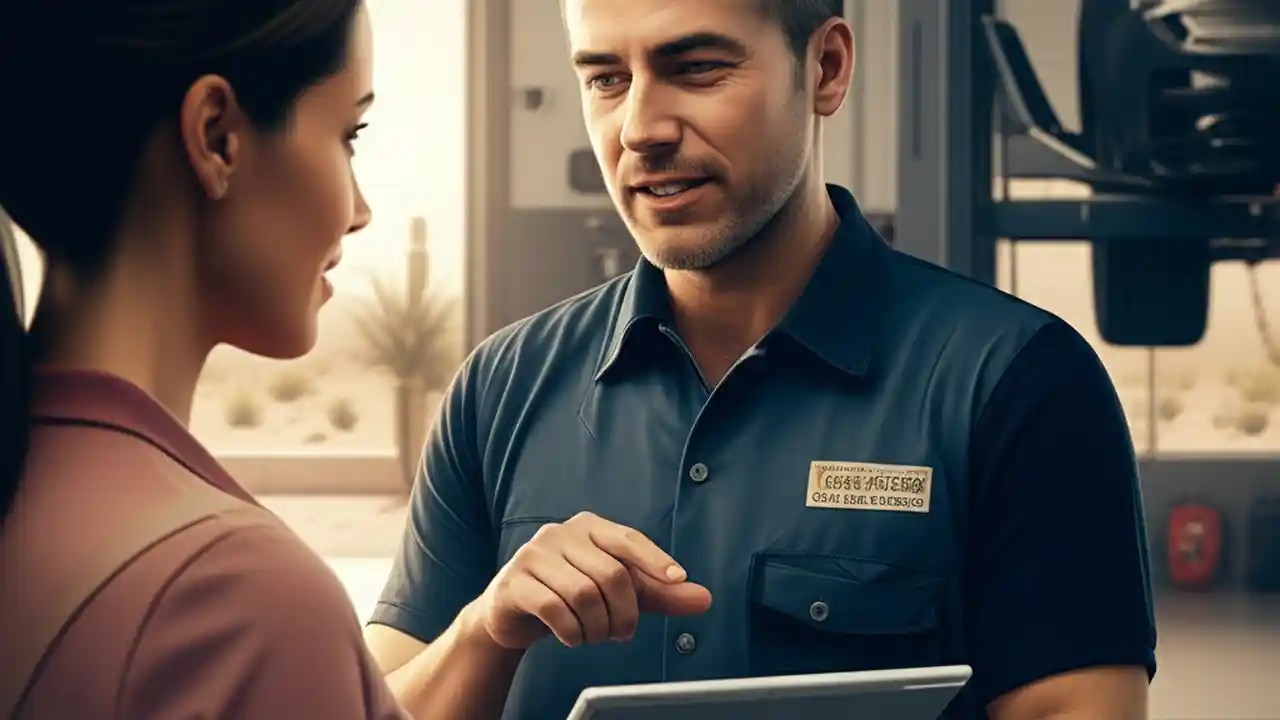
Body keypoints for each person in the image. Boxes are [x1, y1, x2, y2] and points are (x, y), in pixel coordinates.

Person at [363, 1, 1158, 719]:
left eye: (697, 68)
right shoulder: (498, 391)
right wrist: (484, 634)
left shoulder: (1019, 384)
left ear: (827, 68)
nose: (640, 126)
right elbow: (374, 706)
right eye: (606, 78)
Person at [0, 2, 422, 717]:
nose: (358, 210)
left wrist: (485, 633)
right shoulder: (236, 599)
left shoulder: (31, 500)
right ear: (217, 136)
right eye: (348, 135)